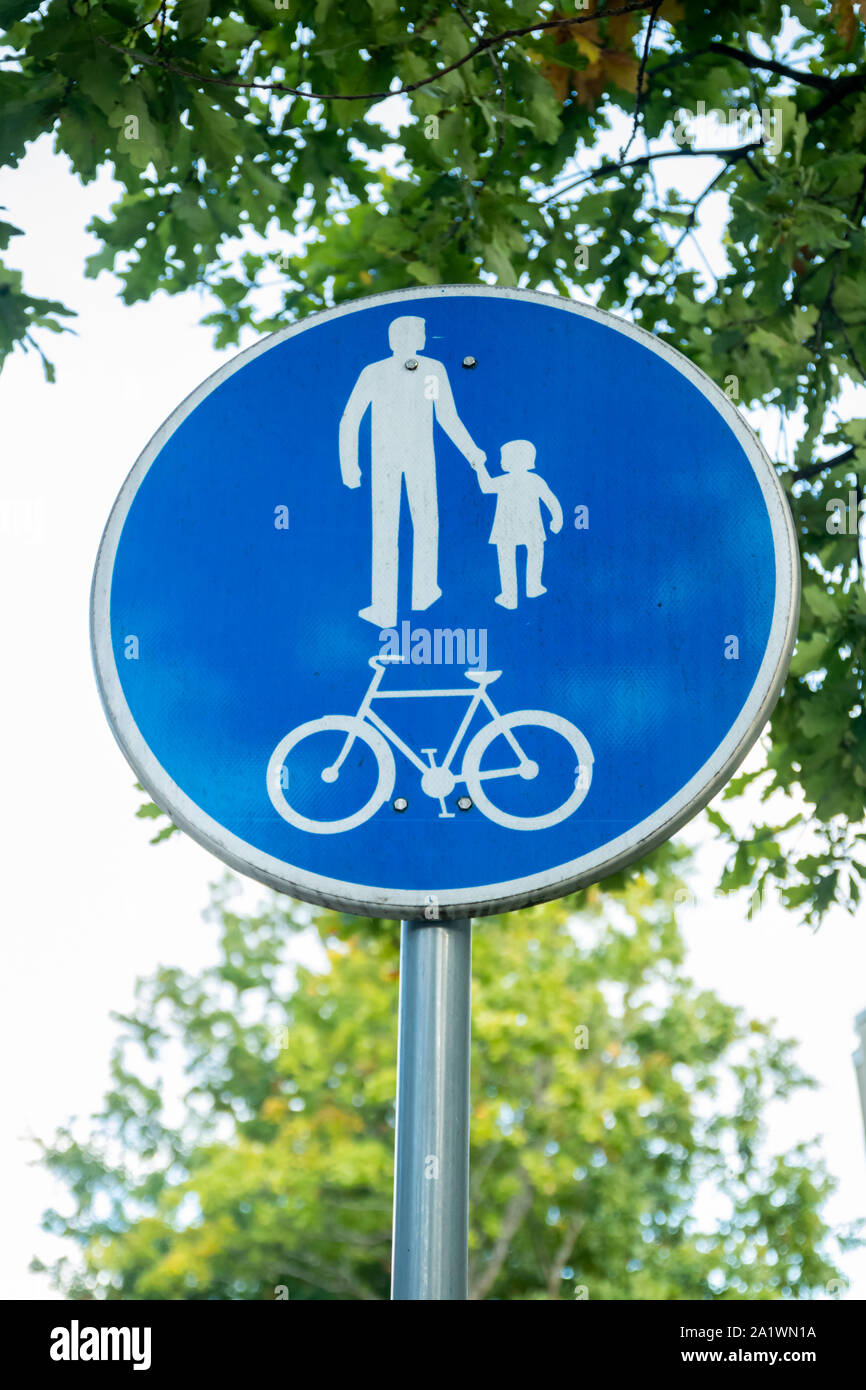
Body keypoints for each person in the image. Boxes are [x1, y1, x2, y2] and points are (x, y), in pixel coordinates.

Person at [339, 315, 485, 628]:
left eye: (421, 331)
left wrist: (472, 453)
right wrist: (349, 467)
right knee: (386, 529)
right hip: (387, 459)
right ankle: (384, 607)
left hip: (419, 456)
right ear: (397, 337)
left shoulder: (432, 370)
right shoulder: (374, 372)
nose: (422, 336)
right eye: (418, 331)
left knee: (426, 522)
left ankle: (424, 594)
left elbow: (447, 416)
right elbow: (350, 419)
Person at [472, 440, 563, 609]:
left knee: (507, 559)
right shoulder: (535, 479)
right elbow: (551, 499)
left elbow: (486, 486)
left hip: (507, 528)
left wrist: (479, 467)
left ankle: (509, 596)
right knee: (535, 553)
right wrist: (557, 519)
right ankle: (533, 587)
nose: (500, 462)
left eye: (503, 458)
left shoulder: (506, 481)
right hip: (530, 527)